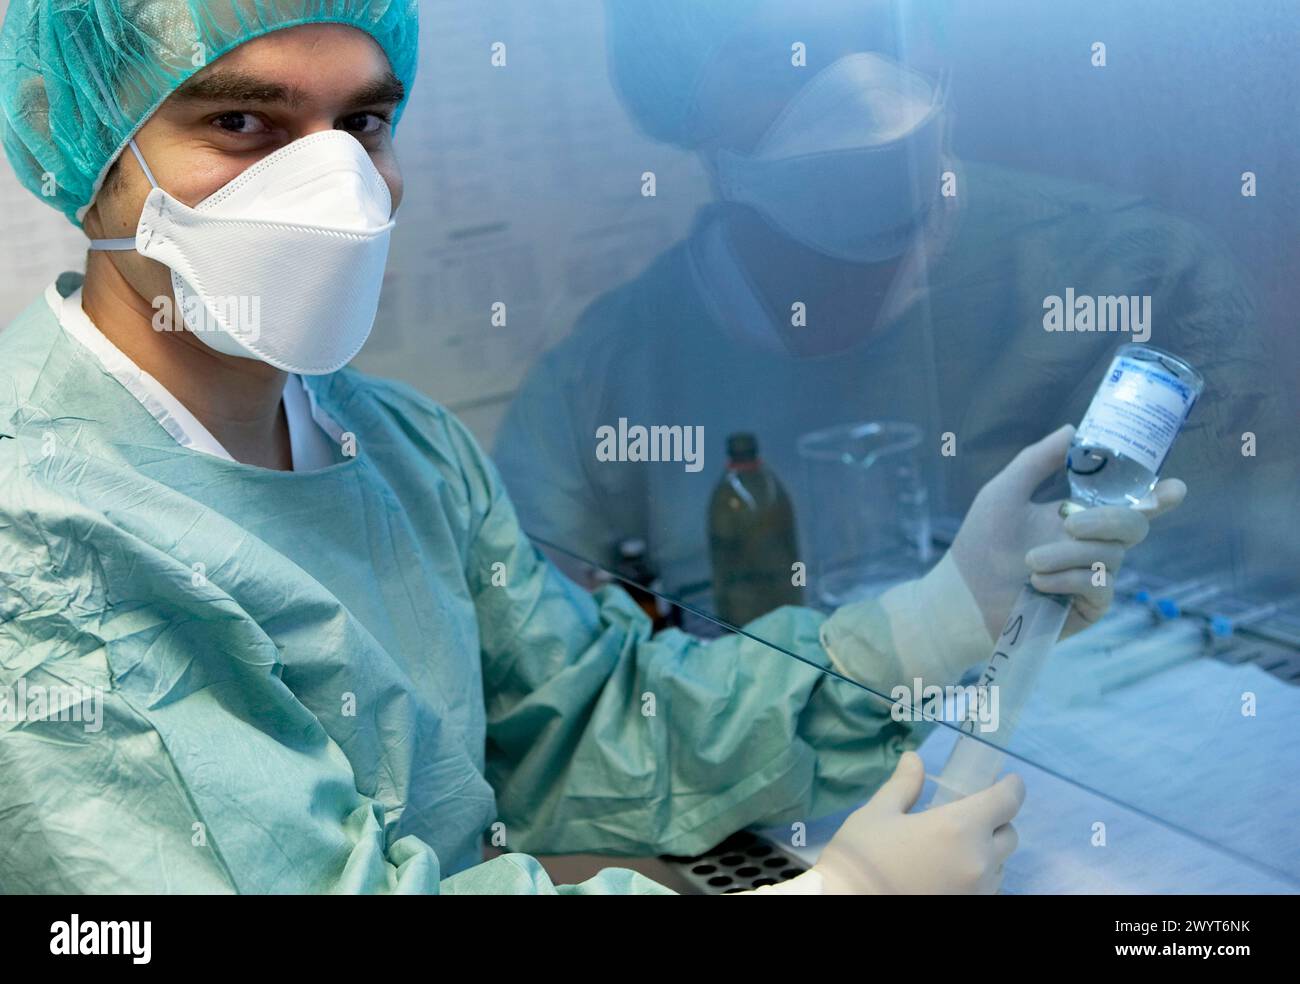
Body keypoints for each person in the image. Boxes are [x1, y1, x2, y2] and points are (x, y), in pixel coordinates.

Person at [0, 1, 1180, 895]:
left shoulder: (397, 445)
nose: (333, 185)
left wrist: (946, 611)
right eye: (242, 121)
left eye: (363, 122)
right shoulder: (38, 541)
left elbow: (596, 719)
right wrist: (839, 891)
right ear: (83, 142)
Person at [493, 0, 1283, 611]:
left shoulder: (1138, 283)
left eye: (886, 34)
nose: (866, 95)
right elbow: (556, 678)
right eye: (783, 60)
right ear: (680, 107)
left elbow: (1230, 616)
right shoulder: (603, 385)